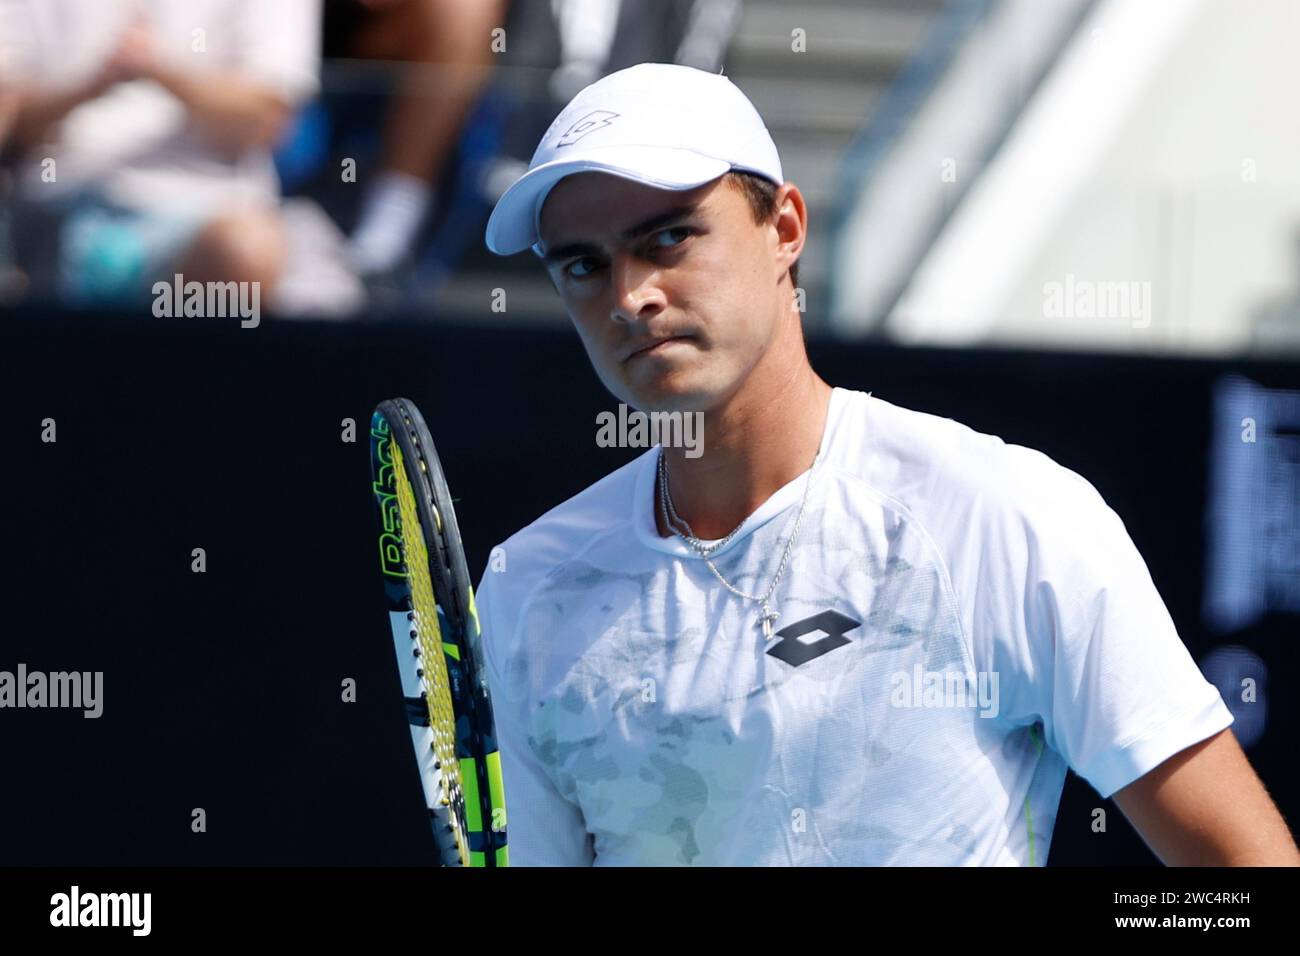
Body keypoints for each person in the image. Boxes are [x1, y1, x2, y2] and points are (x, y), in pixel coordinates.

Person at [476, 62, 1300, 866]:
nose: (629, 296)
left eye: (669, 236)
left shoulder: (1007, 516)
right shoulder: (526, 586)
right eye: (582, 264)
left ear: (786, 230)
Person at [0, 0, 320, 305]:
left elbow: (265, 121)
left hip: (201, 216)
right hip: (44, 209)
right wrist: (94, 84)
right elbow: (13, 120)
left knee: (247, 252)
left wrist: (159, 68)